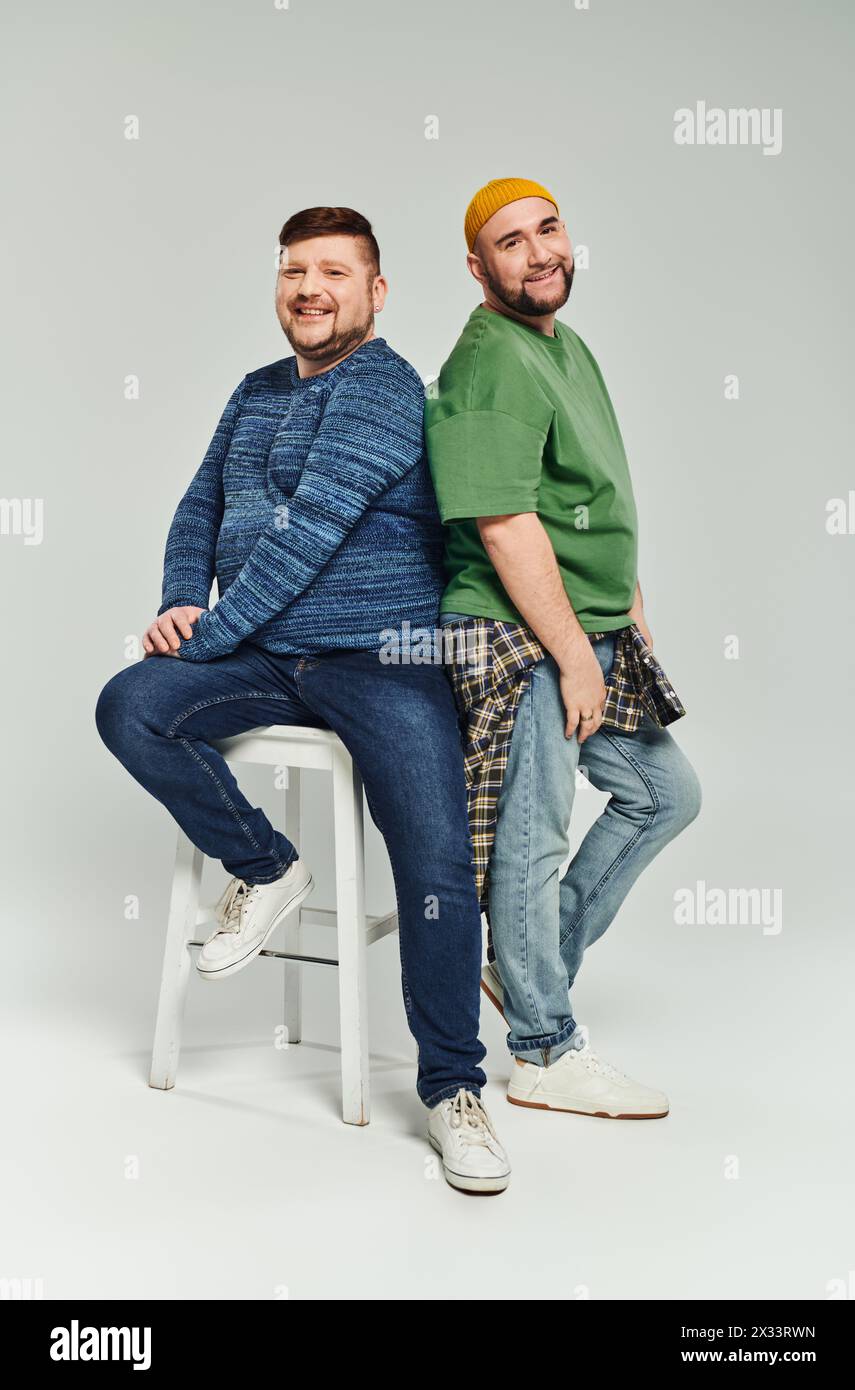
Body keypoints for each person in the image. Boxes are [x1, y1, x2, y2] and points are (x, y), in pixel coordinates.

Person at [95, 205, 510, 1194]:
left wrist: (213, 632)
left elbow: (311, 529)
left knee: (433, 849)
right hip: (263, 652)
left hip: (379, 656)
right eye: (292, 270)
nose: (308, 288)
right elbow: (200, 506)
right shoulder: (253, 391)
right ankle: (269, 867)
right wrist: (178, 603)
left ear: (374, 289)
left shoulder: (382, 386)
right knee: (129, 704)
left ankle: (454, 1087)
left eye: (332, 270)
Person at [424, 177, 702, 1120]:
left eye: (549, 229)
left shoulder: (562, 344)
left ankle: (525, 967)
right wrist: (574, 652)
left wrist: (627, 608)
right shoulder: (490, 358)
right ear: (479, 267)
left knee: (666, 793)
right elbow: (504, 522)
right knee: (532, 839)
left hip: (587, 622)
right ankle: (544, 1050)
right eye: (511, 242)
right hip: (515, 628)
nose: (539, 252)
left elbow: (585, 497)